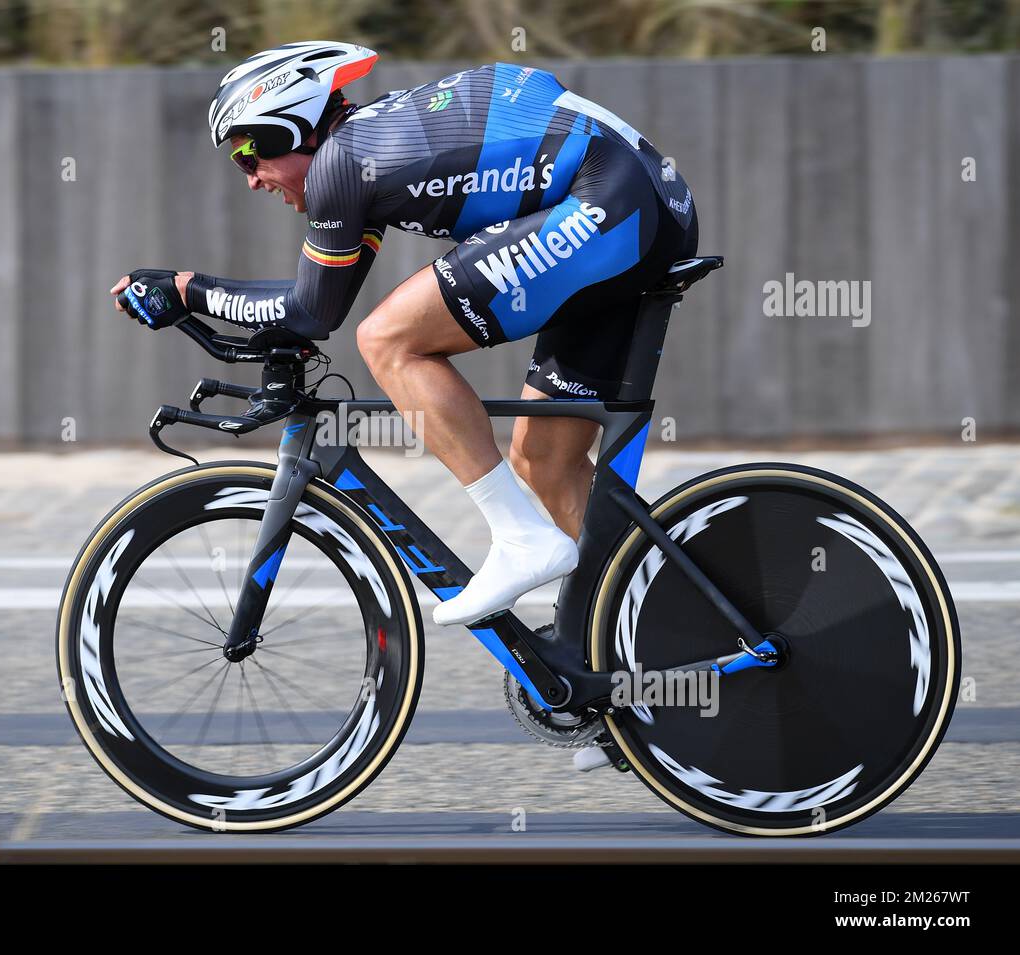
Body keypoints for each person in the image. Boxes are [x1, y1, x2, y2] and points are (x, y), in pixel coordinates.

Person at [112, 40, 698, 628]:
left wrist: (190, 292)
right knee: (544, 460)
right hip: (637, 208)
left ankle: (522, 540)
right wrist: (202, 297)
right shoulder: (364, 155)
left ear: (290, 128)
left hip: (613, 203)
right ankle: (670, 630)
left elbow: (312, 315)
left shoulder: (343, 160)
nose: (253, 181)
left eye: (248, 156)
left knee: (389, 341)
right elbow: (314, 306)